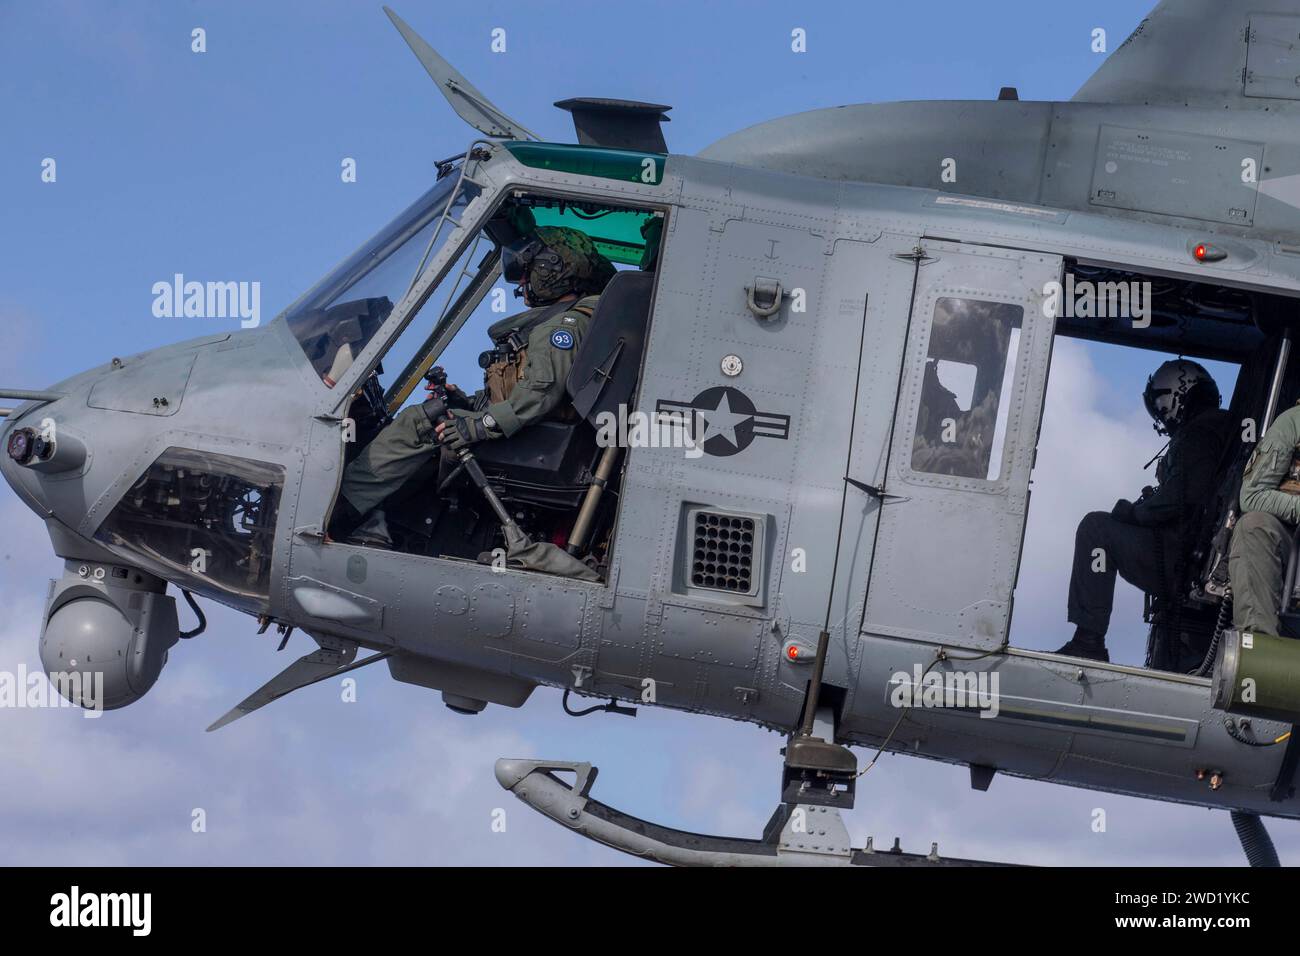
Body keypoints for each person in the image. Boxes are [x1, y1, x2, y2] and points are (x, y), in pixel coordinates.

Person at [327, 225, 615, 544]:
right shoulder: (577, 322)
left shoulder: (562, 328)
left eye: (525, 270)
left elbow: (540, 396)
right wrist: (466, 404)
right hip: (533, 437)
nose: (520, 282)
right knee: (438, 417)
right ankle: (378, 521)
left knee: (417, 424)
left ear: (553, 269)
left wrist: (478, 425)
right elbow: (531, 392)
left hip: (537, 445)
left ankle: (334, 512)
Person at [1057, 359, 1233, 662]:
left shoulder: (1201, 433)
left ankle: (1089, 640)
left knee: (1096, 529)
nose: (1163, 417)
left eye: (1162, 406)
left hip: (1184, 559)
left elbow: (1179, 499)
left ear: (1177, 396)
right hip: (1197, 554)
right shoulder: (1223, 427)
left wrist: (1132, 513)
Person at [1228, 404, 1300, 636]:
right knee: (1255, 526)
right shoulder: (1293, 423)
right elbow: (1252, 496)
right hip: (1295, 549)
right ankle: (1259, 646)